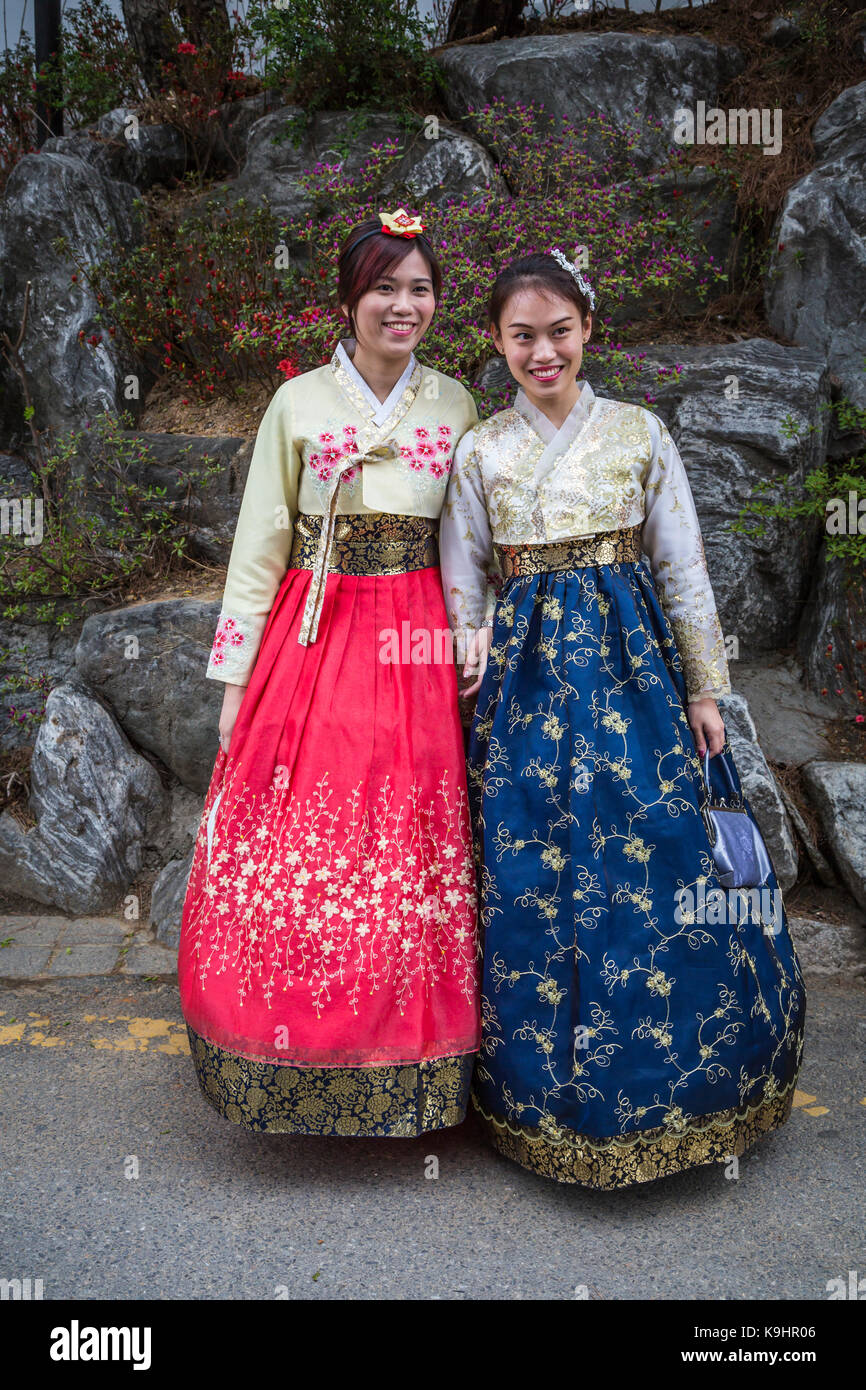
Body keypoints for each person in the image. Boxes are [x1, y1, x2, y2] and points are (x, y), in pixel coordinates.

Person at [439, 249, 806, 1187]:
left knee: (657, 848)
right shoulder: (480, 451)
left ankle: (688, 1083)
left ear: (587, 329)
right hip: (525, 692)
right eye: (522, 335)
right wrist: (466, 658)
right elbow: (463, 579)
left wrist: (705, 688)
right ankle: (545, 1102)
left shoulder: (639, 434)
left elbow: (682, 567)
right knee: (536, 866)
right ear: (497, 343)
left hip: (632, 675)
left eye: (559, 330)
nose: (542, 351)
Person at [178, 208, 481, 1137]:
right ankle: (282, 1041)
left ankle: (414, 1058)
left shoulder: (456, 404)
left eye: (420, 288)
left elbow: (466, 542)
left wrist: (472, 631)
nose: (404, 305)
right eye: (384, 288)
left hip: (418, 634)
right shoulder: (300, 404)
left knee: (407, 832)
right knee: (303, 833)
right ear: (349, 300)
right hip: (315, 632)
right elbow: (261, 542)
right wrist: (235, 684)